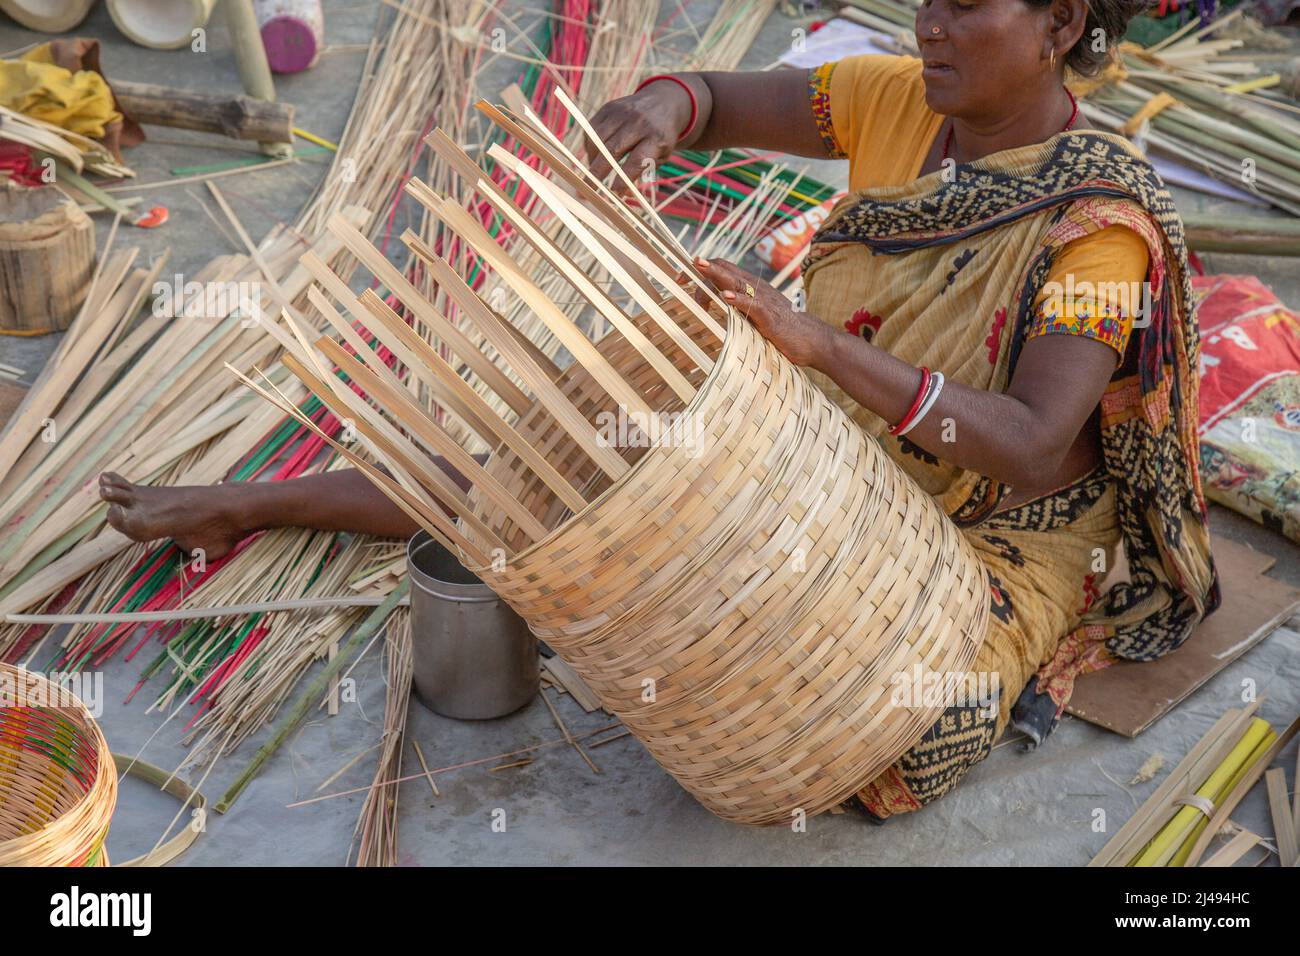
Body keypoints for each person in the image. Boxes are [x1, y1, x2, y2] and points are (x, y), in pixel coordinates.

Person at [100, 0, 1217, 820]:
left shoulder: (1096, 231)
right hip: (843, 437)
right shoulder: (894, 101)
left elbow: (1026, 447)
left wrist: (813, 342)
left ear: (1061, 21)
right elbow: (719, 98)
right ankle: (249, 500)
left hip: (980, 532)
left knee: (899, 737)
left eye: (965, 6)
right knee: (589, 451)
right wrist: (652, 110)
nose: (928, 24)